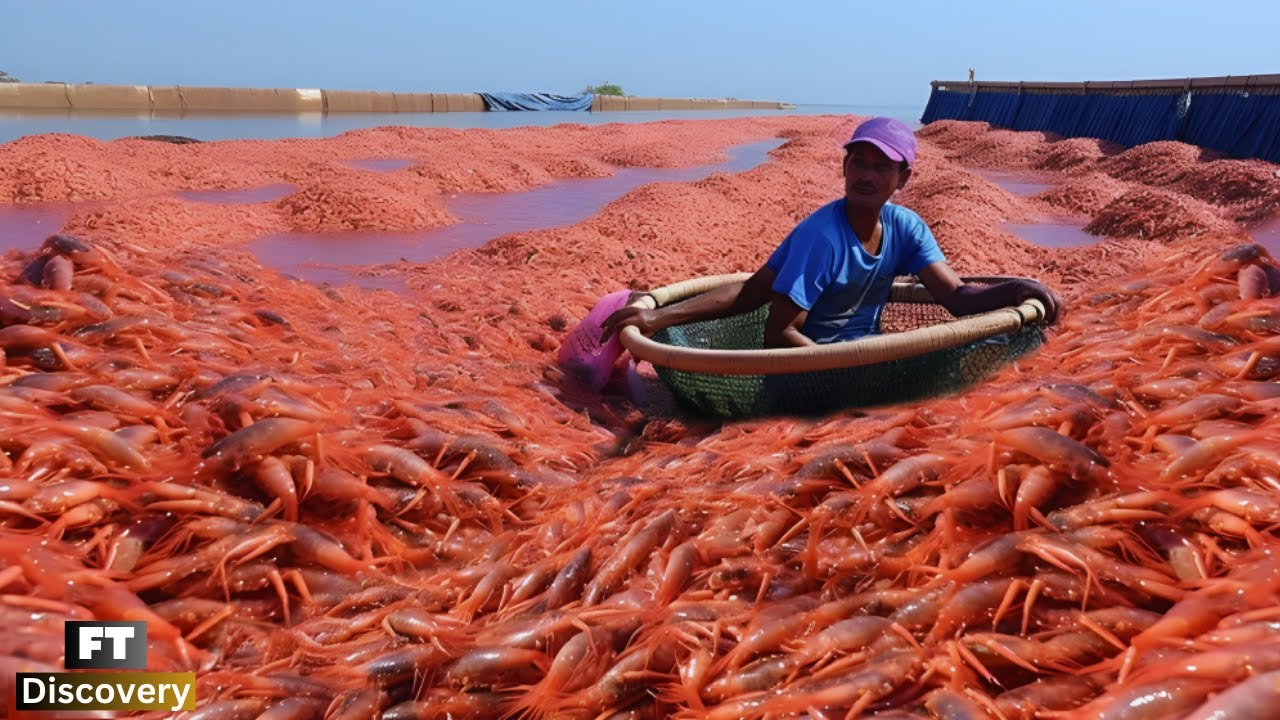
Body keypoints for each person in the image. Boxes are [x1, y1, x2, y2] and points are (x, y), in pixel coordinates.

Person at [601, 116, 1059, 348]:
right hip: (810, 368)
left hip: (864, 355)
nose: (867, 174)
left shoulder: (906, 227)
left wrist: (1016, 288)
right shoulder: (822, 237)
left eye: (882, 167)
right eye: (858, 161)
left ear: (903, 180)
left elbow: (956, 297)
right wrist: (840, 372)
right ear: (842, 167)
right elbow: (777, 332)